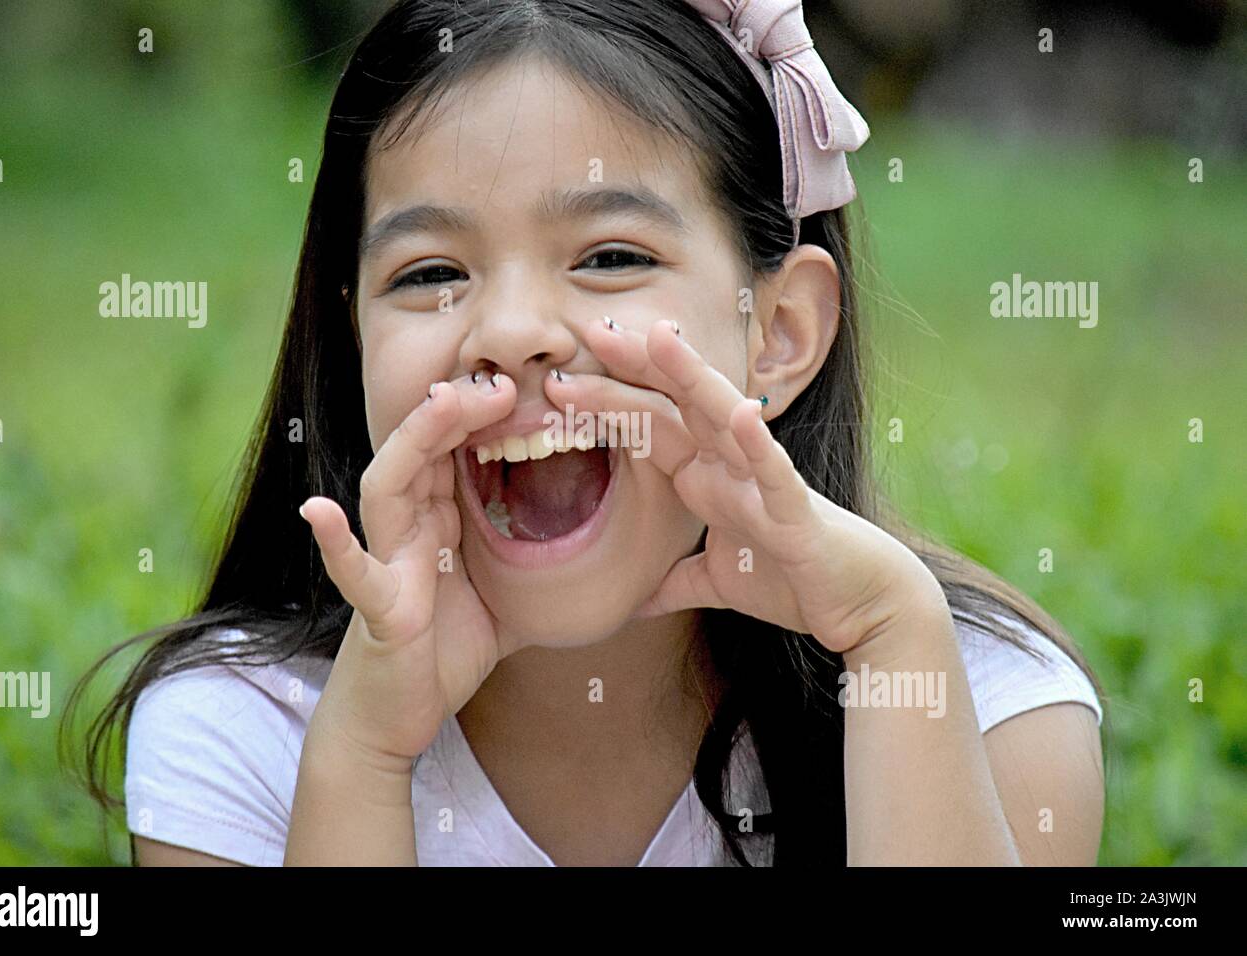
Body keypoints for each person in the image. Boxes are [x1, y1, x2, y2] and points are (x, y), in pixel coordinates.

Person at [66, 0, 1105, 866]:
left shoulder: (983, 710)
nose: (511, 333)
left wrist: (891, 636)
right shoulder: (244, 731)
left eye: (609, 255)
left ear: (779, 331)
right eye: (430, 273)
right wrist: (364, 755)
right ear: (351, 341)